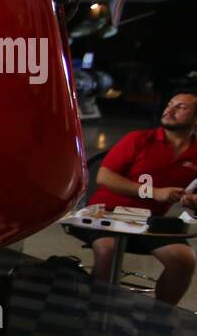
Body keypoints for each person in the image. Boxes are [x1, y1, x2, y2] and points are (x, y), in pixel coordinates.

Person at [75, 91, 197, 304]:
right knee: (107, 250)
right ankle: (98, 310)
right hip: (106, 211)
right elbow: (104, 177)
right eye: (170, 104)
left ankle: (160, 317)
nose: (169, 110)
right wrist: (153, 192)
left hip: (149, 222)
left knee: (184, 260)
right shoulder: (139, 139)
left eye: (181, 107)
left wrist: (192, 202)